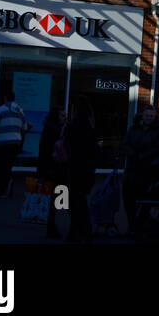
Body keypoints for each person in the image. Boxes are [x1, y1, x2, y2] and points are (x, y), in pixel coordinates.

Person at [122, 106, 159, 234]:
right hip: (131, 171)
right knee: (128, 200)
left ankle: (141, 226)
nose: (149, 118)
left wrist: (142, 156)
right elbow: (125, 143)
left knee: (145, 200)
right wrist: (132, 154)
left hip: (147, 172)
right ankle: (132, 225)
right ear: (142, 116)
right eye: (147, 115)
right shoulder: (133, 128)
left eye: (151, 116)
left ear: (155, 117)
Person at [64, 97, 98, 242]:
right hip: (86, 170)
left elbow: (67, 146)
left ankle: (78, 229)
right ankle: (83, 229)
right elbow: (94, 152)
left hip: (73, 168)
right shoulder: (91, 130)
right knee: (81, 199)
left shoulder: (71, 128)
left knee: (74, 200)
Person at [0, 90, 31, 197]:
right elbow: (24, 127)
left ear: (5, 98)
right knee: (8, 166)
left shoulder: (1, 110)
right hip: (15, 142)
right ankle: (5, 187)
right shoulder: (20, 111)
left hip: (2, 142)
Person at [37, 105, 66, 239]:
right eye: (62, 115)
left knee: (55, 198)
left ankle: (52, 225)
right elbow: (45, 152)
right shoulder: (53, 132)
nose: (64, 118)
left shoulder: (53, 130)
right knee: (54, 198)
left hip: (53, 169)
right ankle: (51, 226)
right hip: (52, 169)